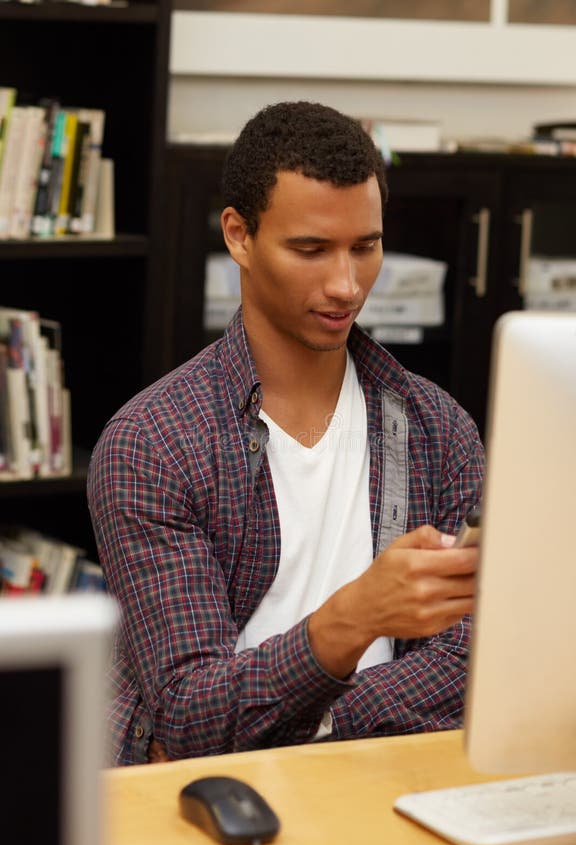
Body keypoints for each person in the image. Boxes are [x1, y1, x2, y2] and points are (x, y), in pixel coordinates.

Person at [88, 101, 483, 766]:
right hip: (213, 802)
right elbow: (191, 718)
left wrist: (326, 724)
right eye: (310, 249)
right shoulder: (151, 444)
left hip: (384, 776)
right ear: (239, 236)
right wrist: (354, 617)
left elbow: (479, 657)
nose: (345, 283)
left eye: (366, 247)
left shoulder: (435, 427)